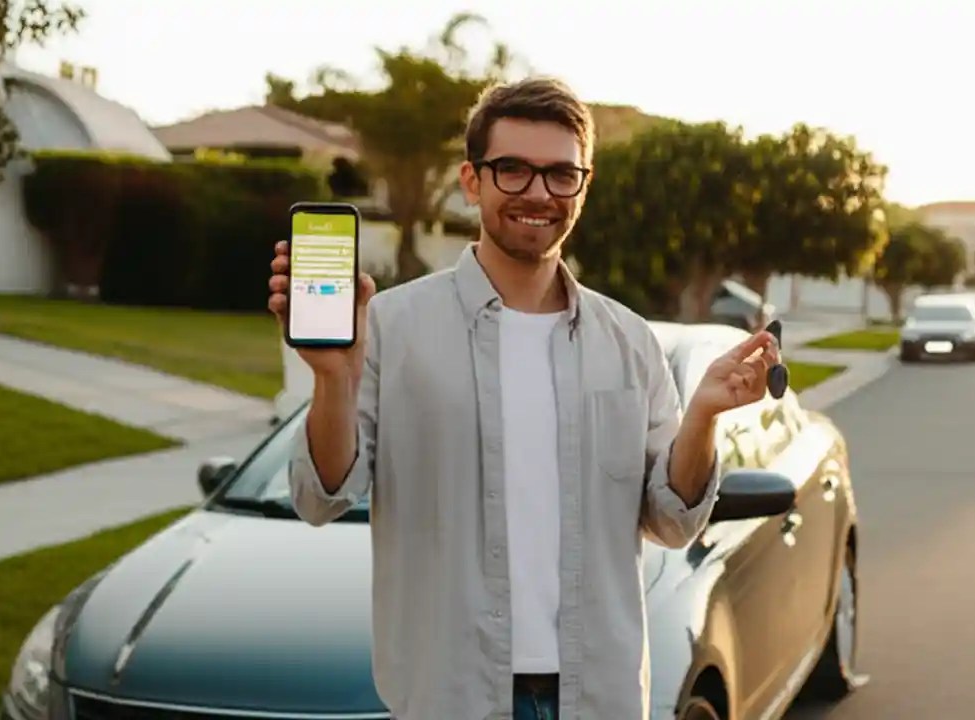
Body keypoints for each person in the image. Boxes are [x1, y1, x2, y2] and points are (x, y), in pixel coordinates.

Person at [267, 76, 780, 720]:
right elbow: (321, 499)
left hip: (598, 698)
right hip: (449, 698)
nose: (538, 193)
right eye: (513, 170)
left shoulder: (630, 342)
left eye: (561, 175)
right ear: (472, 180)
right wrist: (332, 380)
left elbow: (672, 522)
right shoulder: (389, 330)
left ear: (583, 188)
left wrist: (701, 414)